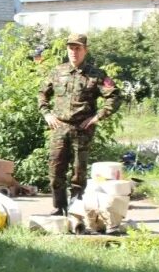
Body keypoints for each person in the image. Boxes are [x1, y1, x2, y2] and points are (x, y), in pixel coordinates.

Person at [38, 32, 120, 215]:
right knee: (55, 168)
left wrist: (98, 116)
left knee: (78, 172)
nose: (74, 52)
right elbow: (42, 93)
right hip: (59, 127)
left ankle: (76, 208)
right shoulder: (58, 71)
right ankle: (59, 207)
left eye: (78, 48)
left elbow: (114, 95)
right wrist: (46, 113)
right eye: (71, 48)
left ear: (85, 50)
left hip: (82, 129)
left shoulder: (96, 75)